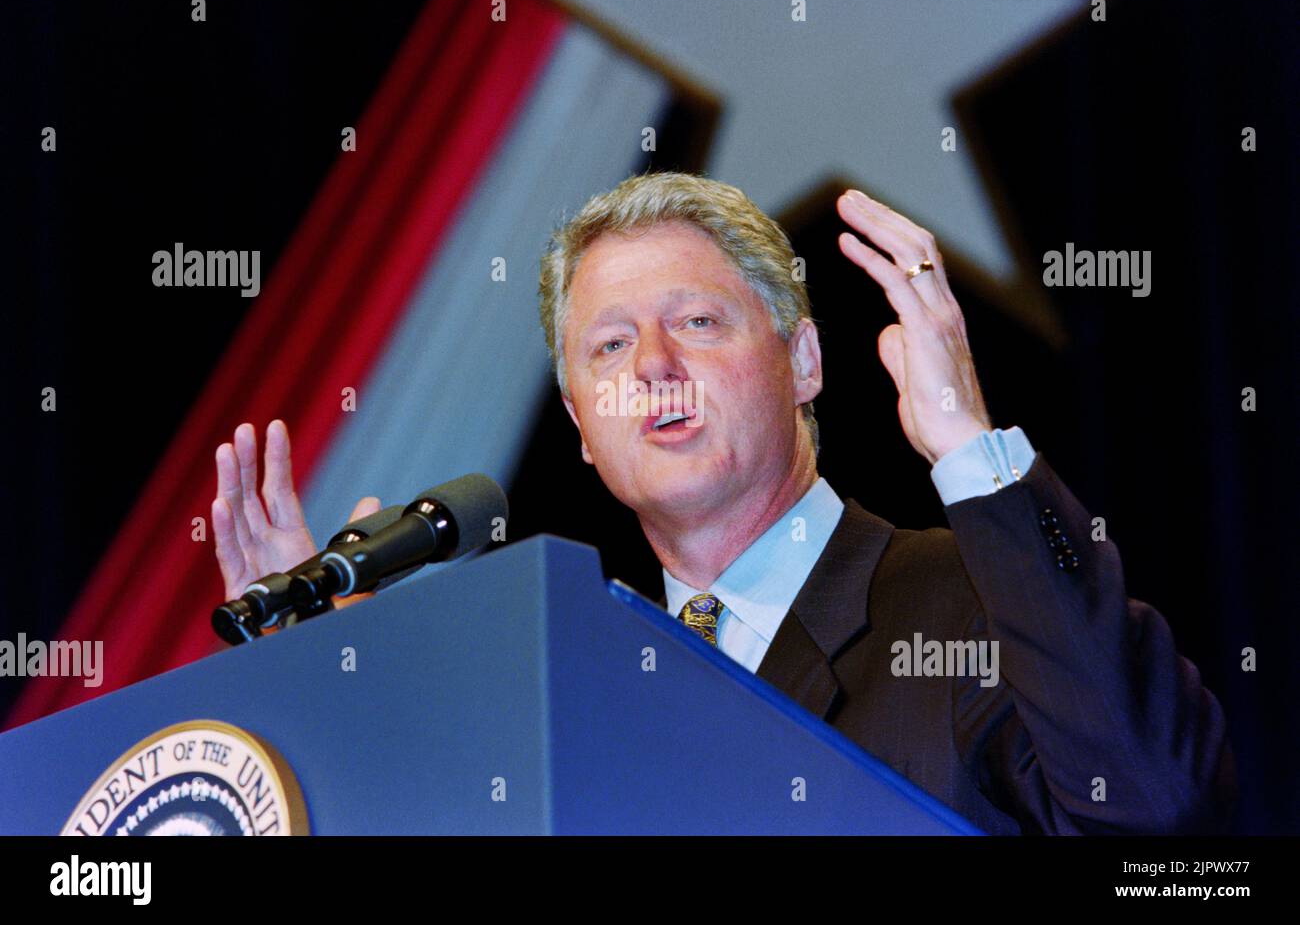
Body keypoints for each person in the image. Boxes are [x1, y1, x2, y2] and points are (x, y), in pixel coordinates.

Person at [212, 172, 1235, 834]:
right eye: (609, 345)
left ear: (801, 360)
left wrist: (967, 447)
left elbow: (1160, 809)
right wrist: (318, 693)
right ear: (581, 422)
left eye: (697, 321)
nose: (652, 365)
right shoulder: (574, 680)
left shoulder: (969, 592)